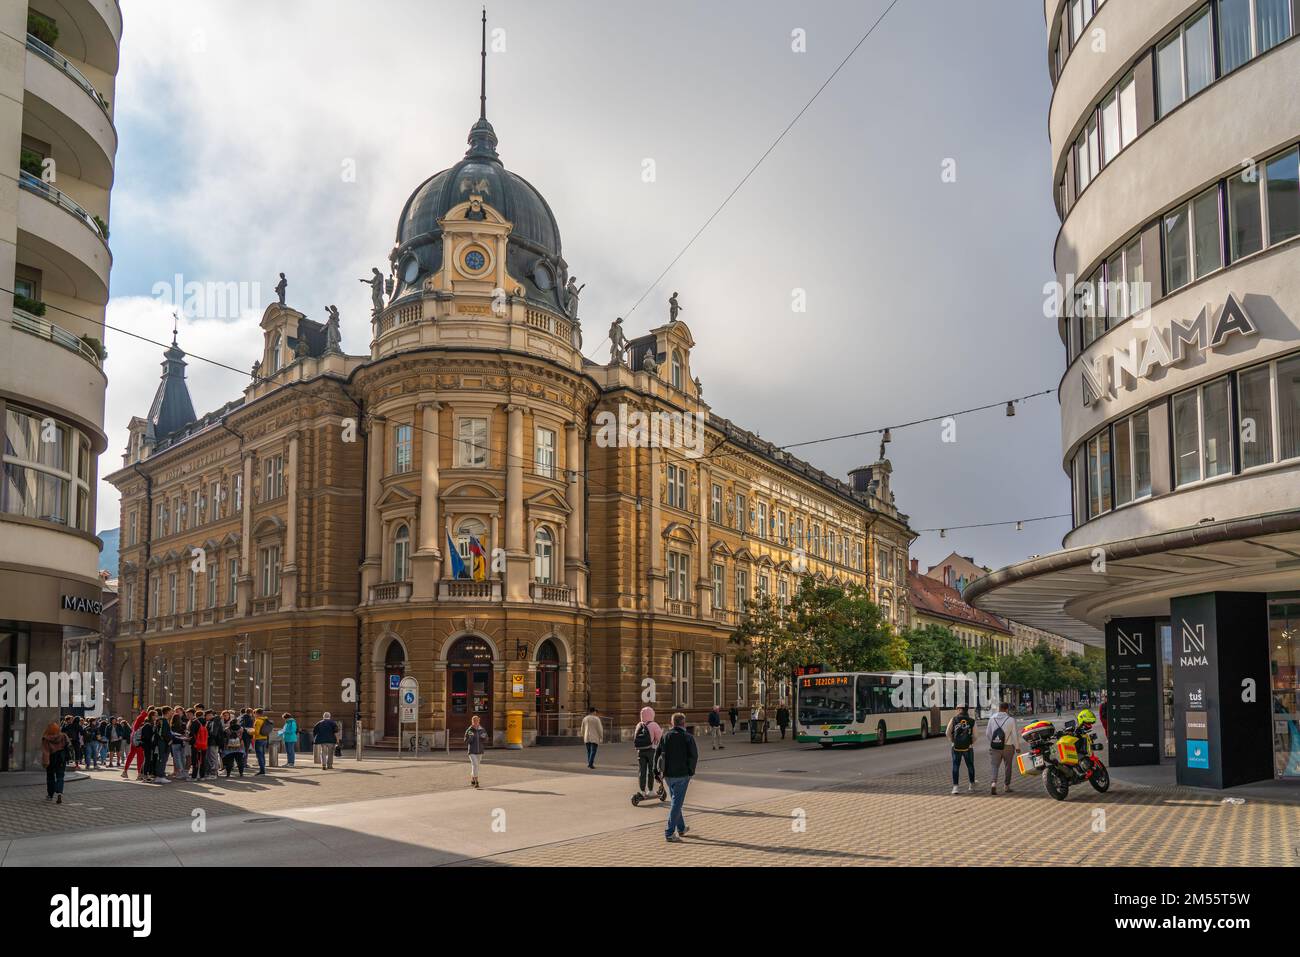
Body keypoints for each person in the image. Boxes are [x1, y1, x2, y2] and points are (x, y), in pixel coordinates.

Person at [655, 712, 698, 843]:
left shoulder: (665, 736)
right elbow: (694, 756)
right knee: (676, 803)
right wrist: (690, 771)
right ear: (683, 723)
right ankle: (669, 832)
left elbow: (657, 754)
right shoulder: (688, 737)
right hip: (682, 774)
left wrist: (656, 773)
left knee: (676, 801)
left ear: (672, 723)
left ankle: (681, 828)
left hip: (668, 774)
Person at [986, 701, 1018, 795]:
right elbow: (1015, 734)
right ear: (1007, 709)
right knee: (1008, 766)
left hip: (995, 747)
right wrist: (1017, 747)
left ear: (998, 708)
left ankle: (993, 783)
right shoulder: (1011, 719)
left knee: (994, 766)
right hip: (1008, 746)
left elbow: (988, 733)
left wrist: (993, 742)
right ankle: (1006, 786)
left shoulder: (992, 719)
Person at [946, 704, 977, 794]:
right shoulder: (972, 721)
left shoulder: (954, 719)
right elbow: (975, 735)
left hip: (956, 747)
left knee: (956, 766)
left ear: (959, 710)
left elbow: (947, 732)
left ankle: (955, 787)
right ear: (966, 710)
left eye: (957, 709)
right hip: (968, 748)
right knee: (970, 766)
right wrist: (970, 743)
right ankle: (971, 785)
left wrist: (952, 740)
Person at [633, 706, 663, 798]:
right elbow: (660, 739)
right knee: (651, 771)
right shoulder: (654, 725)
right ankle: (650, 790)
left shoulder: (639, 725)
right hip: (651, 751)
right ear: (652, 714)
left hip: (640, 751)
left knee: (642, 771)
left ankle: (642, 791)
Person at [41, 722, 71, 803]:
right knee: (60, 776)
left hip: (52, 758)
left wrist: (45, 762)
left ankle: (50, 795)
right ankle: (59, 793)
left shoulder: (46, 738)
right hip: (61, 758)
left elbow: (46, 752)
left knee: (50, 776)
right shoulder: (63, 736)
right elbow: (68, 745)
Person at [465, 714, 488, 788]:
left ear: (479, 721)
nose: (475, 722)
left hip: (480, 751)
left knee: (476, 766)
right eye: (474, 721)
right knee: (475, 765)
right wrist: (470, 738)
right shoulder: (469, 730)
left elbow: (486, 739)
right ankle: (476, 781)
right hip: (472, 751)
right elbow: (466, 741)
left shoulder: (482, 730)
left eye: (477, 720)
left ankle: (472, 779)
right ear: (472, 721)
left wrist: (484, 738)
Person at [221, 713, 246, 777]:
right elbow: (245, 737)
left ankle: (228, 774)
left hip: (229, 747)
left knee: (229, 761)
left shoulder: (227, 729)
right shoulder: (242, 729)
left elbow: (224, 738)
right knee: (240, 761)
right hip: (239, 747)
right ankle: (241, 773)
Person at [252, 709, 274, 775]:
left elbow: (256, 732)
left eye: (254, 713)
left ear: (257, 714)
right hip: (265, 738)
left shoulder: (258, 721)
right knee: (262, 755)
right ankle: (263, 769)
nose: (254, 715)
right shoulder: (265, 720)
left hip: (258, 739)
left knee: (259, 755)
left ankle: (262, 770)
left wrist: (249, 731)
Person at [188, 709, 208, 779]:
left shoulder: (194, 722)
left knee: (195, 760)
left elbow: (192, 734)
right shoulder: (205, 722)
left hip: (196, 744)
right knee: (202, 760)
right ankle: (202, 776)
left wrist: (189, 740)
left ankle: (194, 776)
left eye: (189, 714)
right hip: (204, 744)